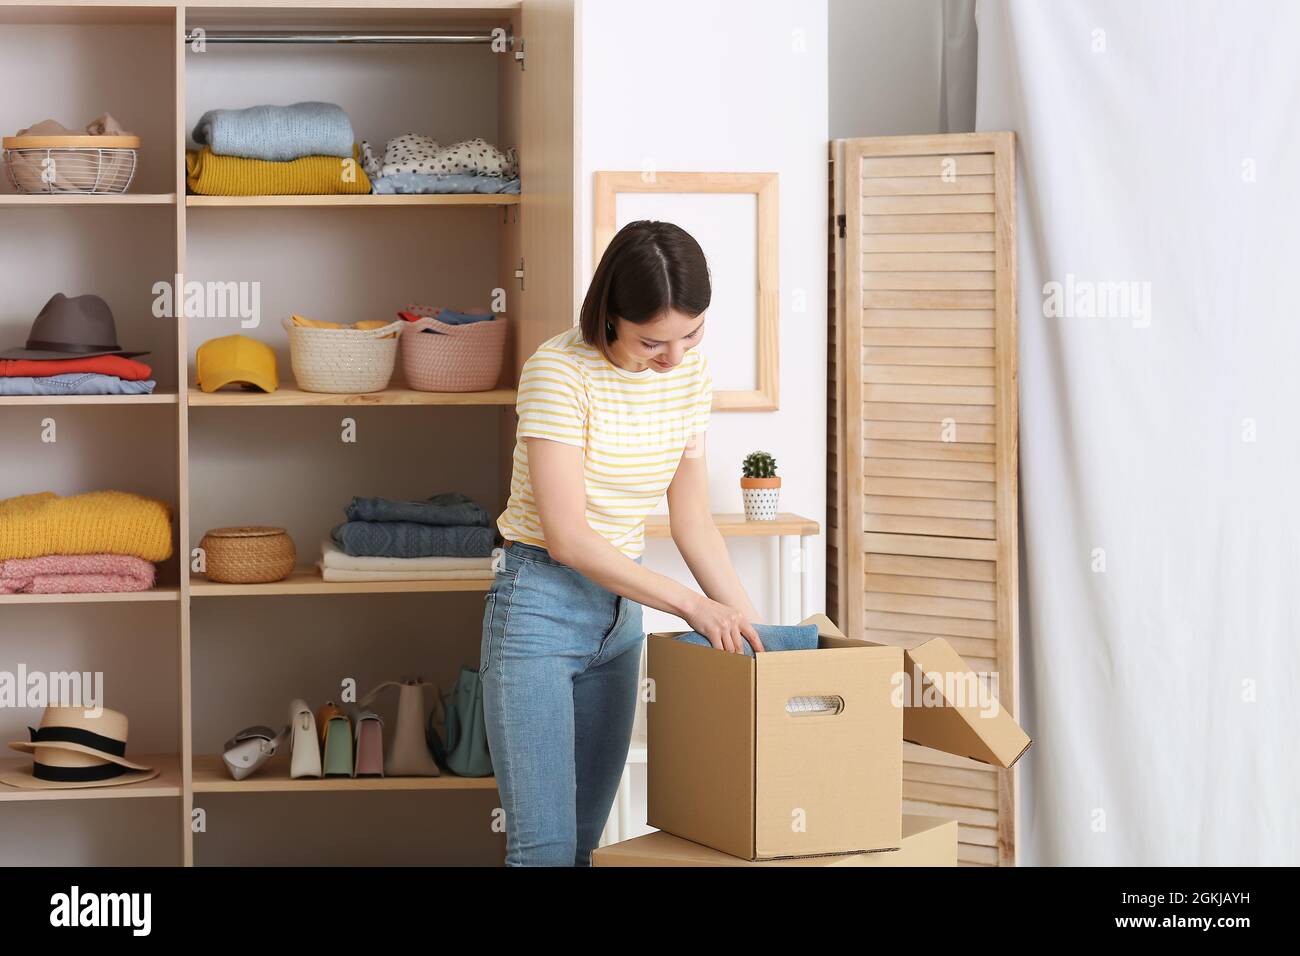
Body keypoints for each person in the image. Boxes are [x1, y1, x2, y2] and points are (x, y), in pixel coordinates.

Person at [481, 220, 765, 866]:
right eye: (653, 341)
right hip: (539, 613)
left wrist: (753, 632)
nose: (674, 357)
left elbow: (692, 521)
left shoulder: (688, 377)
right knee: (545, 853)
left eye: (691, 333)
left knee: (586, 849)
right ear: (611, 314)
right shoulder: (557, 372)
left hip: (620, 617)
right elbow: (569, 538)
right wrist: (692, 607)